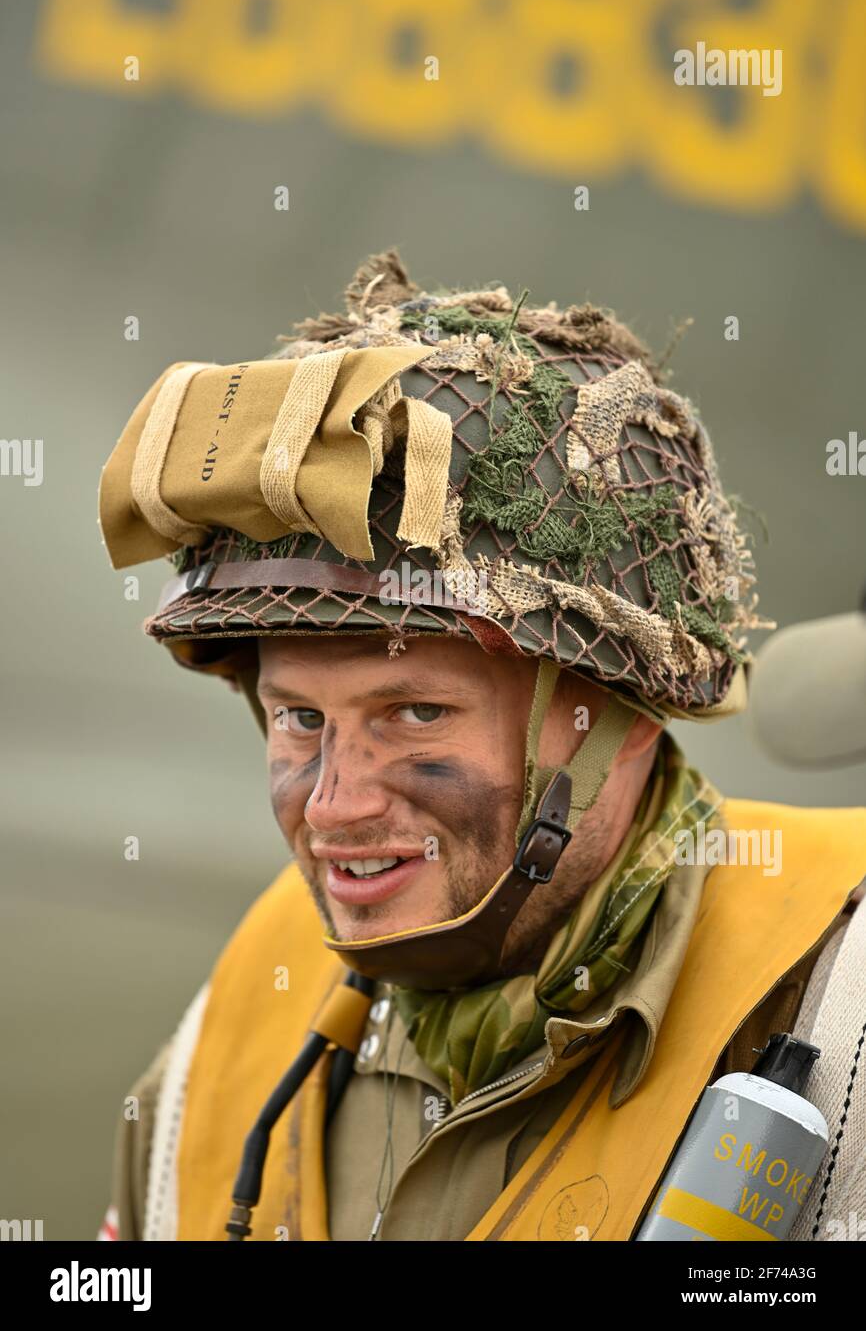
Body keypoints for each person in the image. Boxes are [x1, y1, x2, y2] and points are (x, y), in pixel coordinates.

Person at [96, 250, 866, 1243]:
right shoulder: (243, 1013)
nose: (333, 805)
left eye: (414, 713)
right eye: (299, 718)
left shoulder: (833, 1008)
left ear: (621, 717)